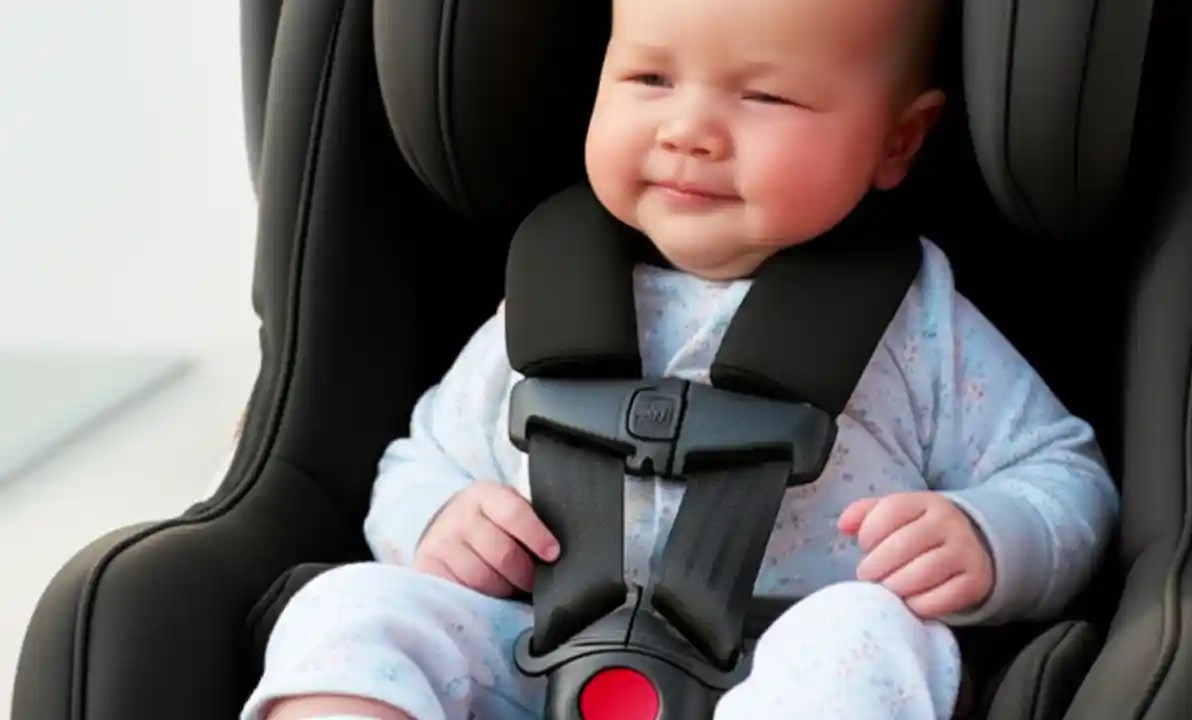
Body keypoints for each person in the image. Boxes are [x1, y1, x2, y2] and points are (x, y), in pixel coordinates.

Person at [242, 0, 1119, 717]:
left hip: (785, 666)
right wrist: (439, 521)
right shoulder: (548, 297)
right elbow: (417, 462)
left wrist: (989, 537)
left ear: (899, 141)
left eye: (766, 98)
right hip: (539, 660)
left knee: (873, 632)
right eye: (650, 78)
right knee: (350, 608)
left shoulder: (919, 323)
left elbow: (1064, 476)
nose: (690, 130)